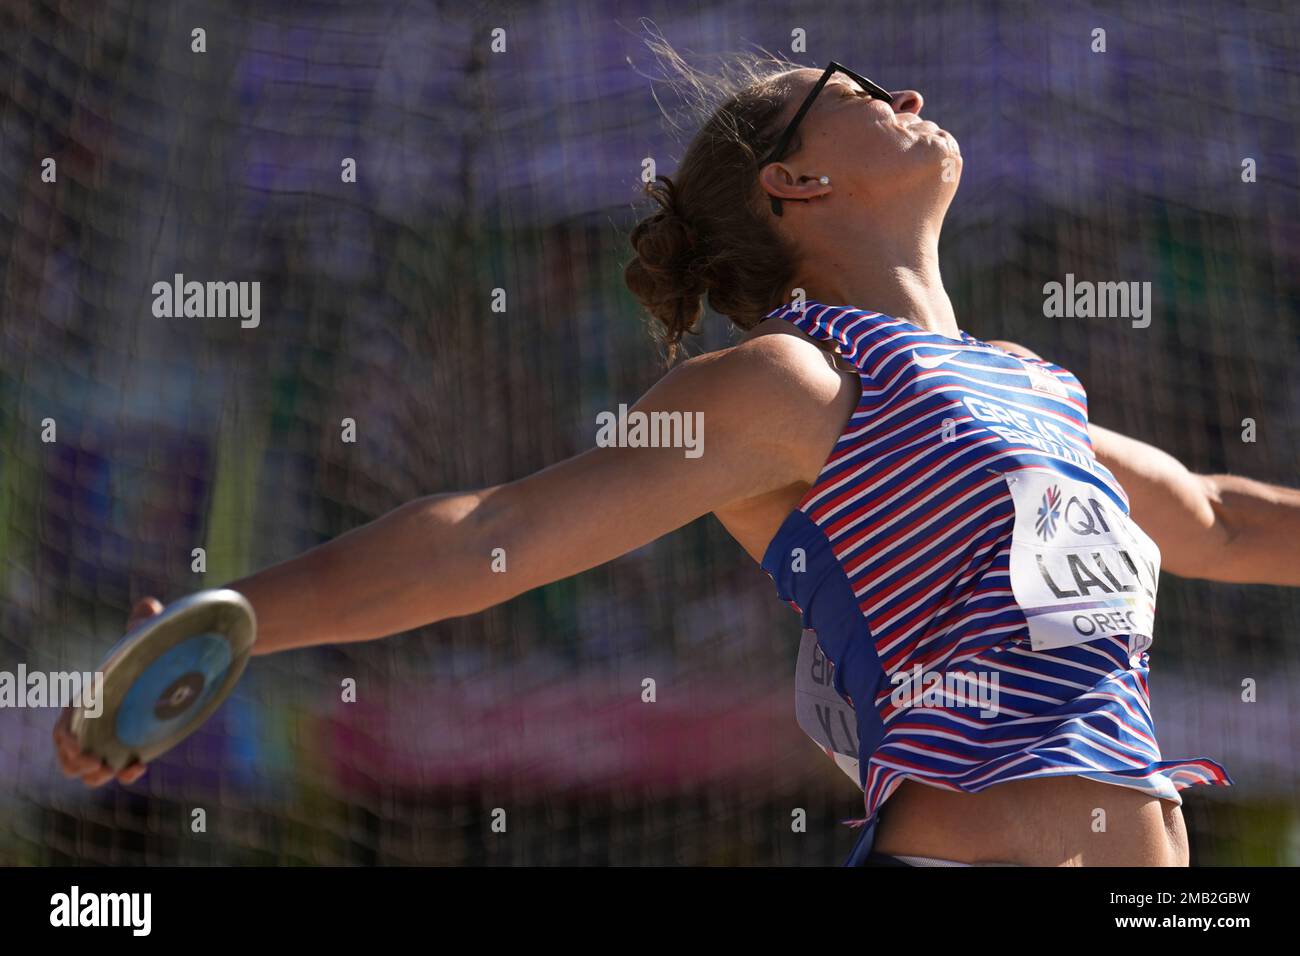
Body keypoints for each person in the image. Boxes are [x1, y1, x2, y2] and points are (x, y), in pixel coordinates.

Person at [55, 49, 1300, 866]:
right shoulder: (793, 381)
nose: (909, 97)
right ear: (795, 181)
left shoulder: (1031, 384)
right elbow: (493, 533)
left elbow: (1222, 519)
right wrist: (235, 619)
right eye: (865, 88)